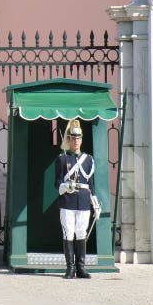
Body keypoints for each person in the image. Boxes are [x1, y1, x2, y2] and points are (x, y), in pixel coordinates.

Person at [55, 119, 100, 279]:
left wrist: (95, 203)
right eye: (73, 138)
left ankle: (81, 267)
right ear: (68, 139)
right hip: (67, 201)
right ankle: (70, 268)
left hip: (83, 201)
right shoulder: (62, 159)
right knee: (69, 233)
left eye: (78, 137)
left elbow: (91, 183)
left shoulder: (88, 160)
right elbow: (57, 183)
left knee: (82, 233)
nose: (76, 141)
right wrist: (66, 186)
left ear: (81, 139)